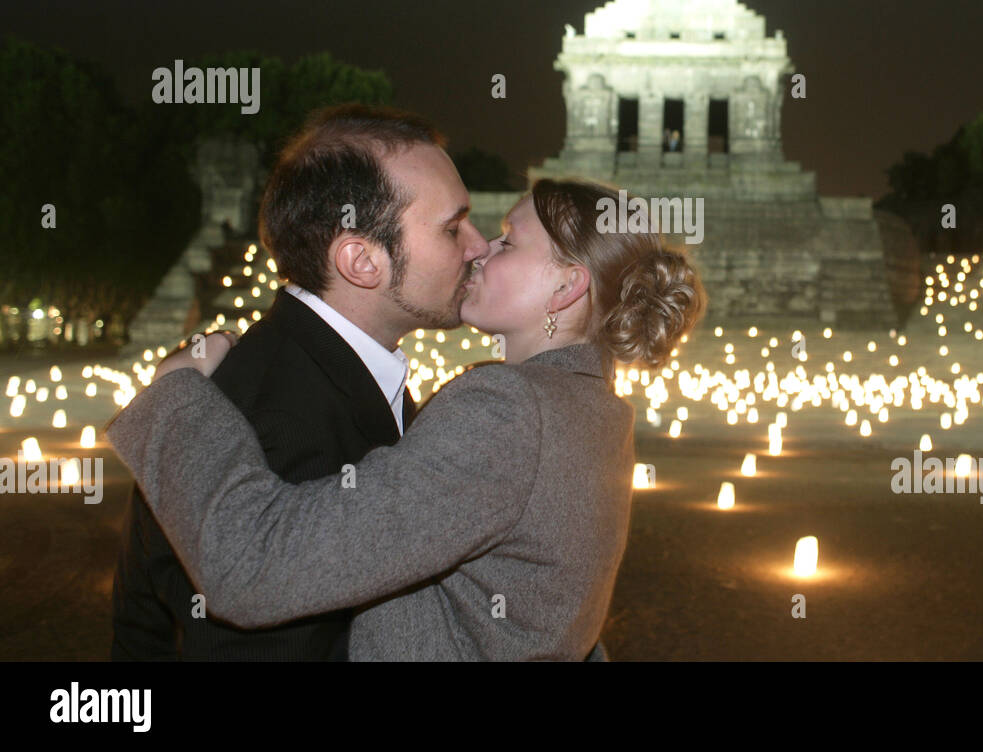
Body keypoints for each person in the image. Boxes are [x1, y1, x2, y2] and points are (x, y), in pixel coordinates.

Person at [107, 177, 706, 660]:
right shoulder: (597, 408)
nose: (478, 250)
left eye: (508, 242)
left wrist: (178, 394)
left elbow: (255, 566)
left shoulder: (509, 409)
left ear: (566, 287)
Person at [111, 104, 490, 660]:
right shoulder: (278, 425)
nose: (478, 245)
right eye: (453, 227)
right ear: (362, 262)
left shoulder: (313, 372)